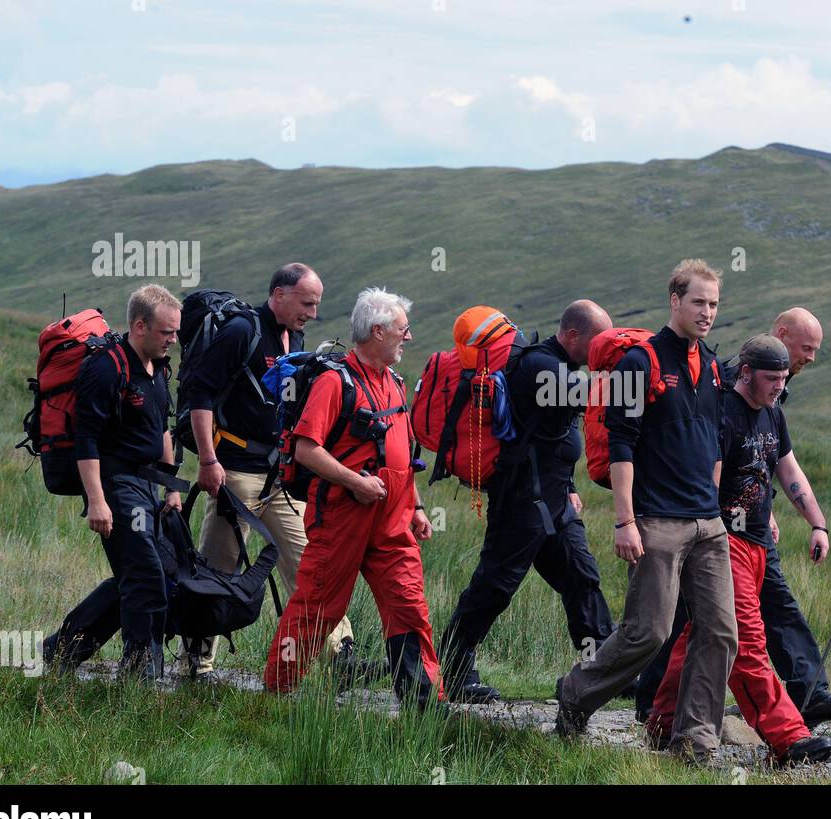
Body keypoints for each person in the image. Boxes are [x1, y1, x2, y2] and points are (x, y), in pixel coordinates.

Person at [635, 307, 831, 726]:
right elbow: (717, 468)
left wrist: (815, 521)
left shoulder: (772, 402)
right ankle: (660, 705)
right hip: (718, 532)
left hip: (756, 533)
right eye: (807, 348)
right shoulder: (725, 399)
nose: (810, 358)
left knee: (777, 608)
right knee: (699, 621)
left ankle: (810, 693)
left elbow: (778, 465)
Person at [554, 259, 737, 764]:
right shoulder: (643, 361)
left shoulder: (714, 367)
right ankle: (575, 695)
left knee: (721, 632)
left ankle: (694, 742)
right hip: (657, 520)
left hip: (708, 522)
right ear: (674, 300)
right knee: (648, 632)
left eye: (714, 304)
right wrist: (625, 520)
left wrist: (714, 503)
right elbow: (621, 443)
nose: (707, 312)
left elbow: (714, 443)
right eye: (698, 301)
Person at [177, 263, 376, 684]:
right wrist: (209, 461)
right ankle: (197, 666)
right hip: (233, 470)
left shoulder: (297, 337)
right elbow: (200, 394)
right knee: (219, 568)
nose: (312, 313)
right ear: (280, 294)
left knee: (312, 563)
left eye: (317, 304)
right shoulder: (240, 332)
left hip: (280, 477)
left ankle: (341, 658)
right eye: (306, 303)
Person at [262, 288, 443, 707]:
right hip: (342, 516)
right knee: (320, 606)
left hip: (393, 519)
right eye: (403, 330)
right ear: (378, 332)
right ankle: (277, 689)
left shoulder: (395, 383)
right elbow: (306, 449)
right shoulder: (333, 382)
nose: (409, 338)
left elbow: (402, 454)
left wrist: (414, 506)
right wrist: (355, 482)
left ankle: (422, 703)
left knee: (408, 605)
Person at [439, 300, 617, 703]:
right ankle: (452, 667)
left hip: (554, 500)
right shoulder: (540, 366)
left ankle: (607, 668)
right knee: (496, 584)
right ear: (573, 336)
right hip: (522, 500)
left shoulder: (561, 366)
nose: (602, 350)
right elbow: (589, 398)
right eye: (598, 341)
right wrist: (638, 377)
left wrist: (569, 483)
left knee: (581, 576)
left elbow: (551, 438)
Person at [50, 284, 183, 680]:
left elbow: (162, 429)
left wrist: (171, 487)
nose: (172, 341)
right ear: (140, 326)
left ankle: (60, 652)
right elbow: (86, 438)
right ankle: (139, 676)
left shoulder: (158, 366)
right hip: (114, 484)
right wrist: (97, 501)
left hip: (147, 485)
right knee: (145, 576)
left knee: (157, 571)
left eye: (175, 333)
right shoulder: (106, 366)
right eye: (166, 333)